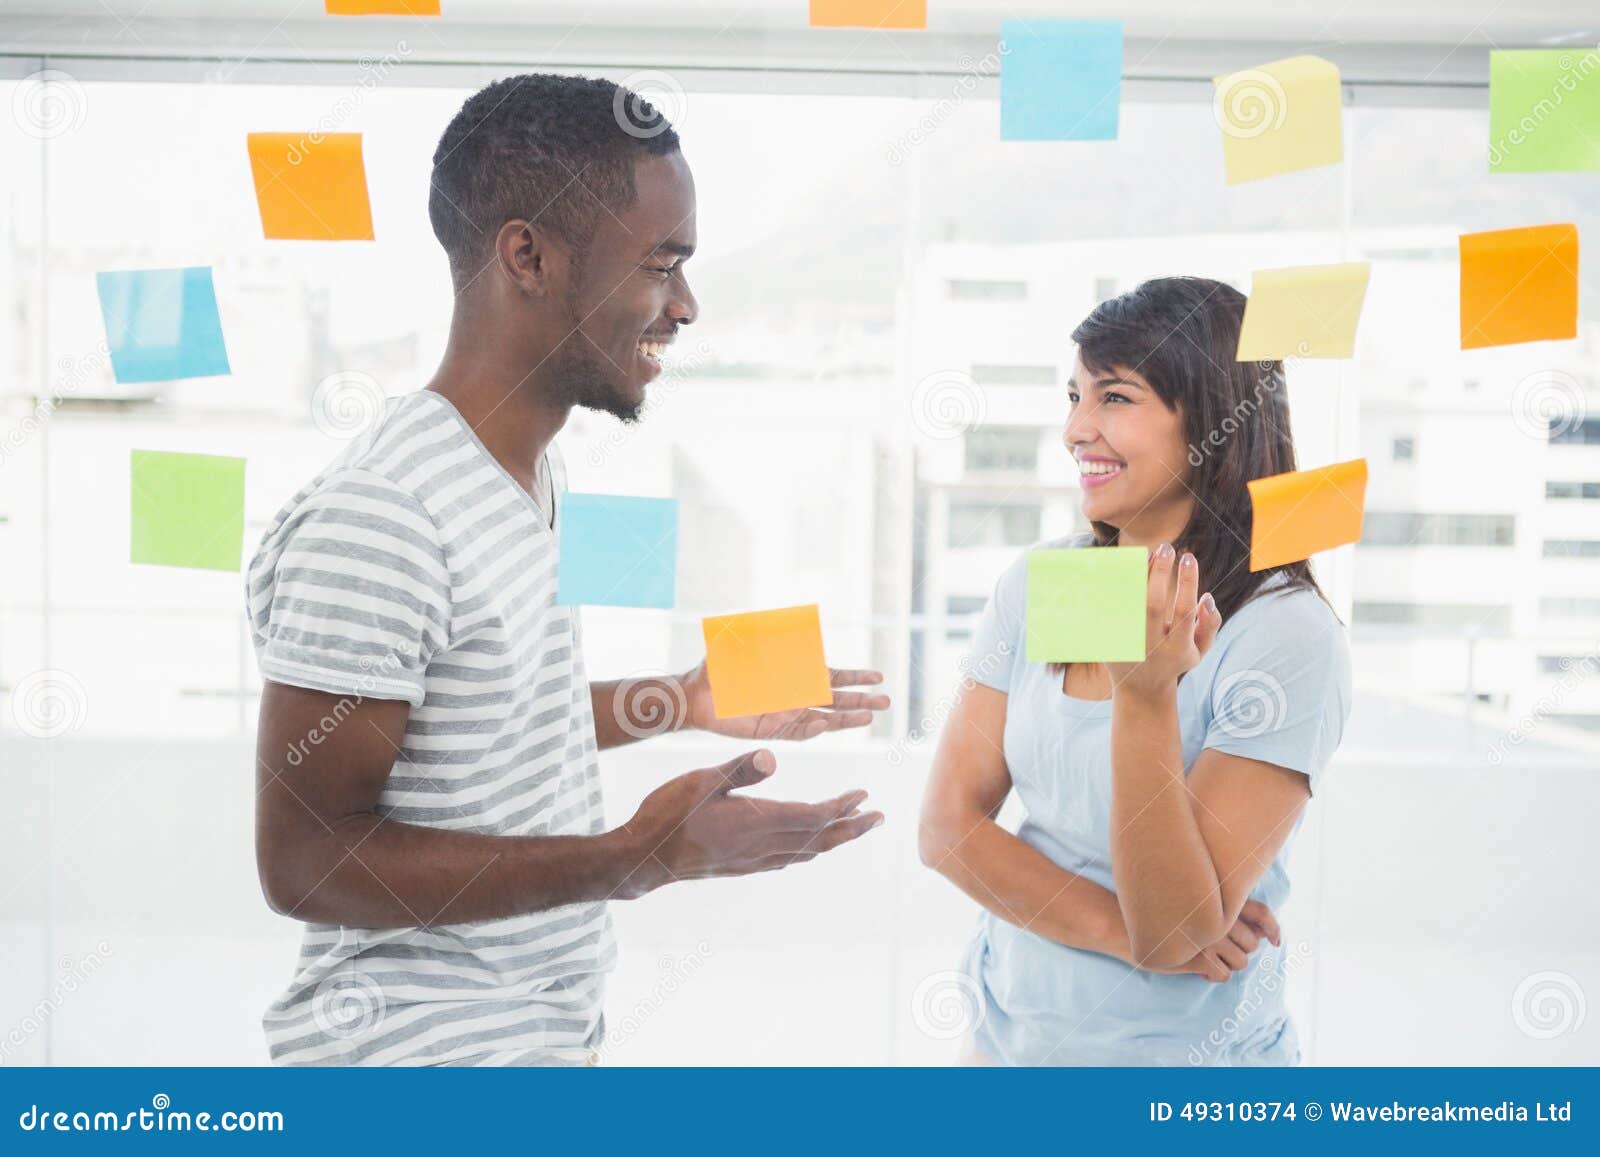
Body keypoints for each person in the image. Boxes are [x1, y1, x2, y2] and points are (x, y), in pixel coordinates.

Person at [247, 73, 889, 1067]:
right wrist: (634, 857)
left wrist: (675, 697)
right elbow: (307, 860)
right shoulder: (379, 515)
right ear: (529, 256)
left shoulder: (518, 473)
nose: (684, 304)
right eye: (658, 265)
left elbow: (480, 720)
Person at [919, 277, 1351, 1065]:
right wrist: (1125, 932)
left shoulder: (1284, 631)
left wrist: (1146, 694)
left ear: (1216, 418)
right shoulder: (1045, 580)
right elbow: (947, 829)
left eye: (1116, 397)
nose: (1078, 429)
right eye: (1074, 396)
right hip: (1008, 1047)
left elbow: (1176, 928)